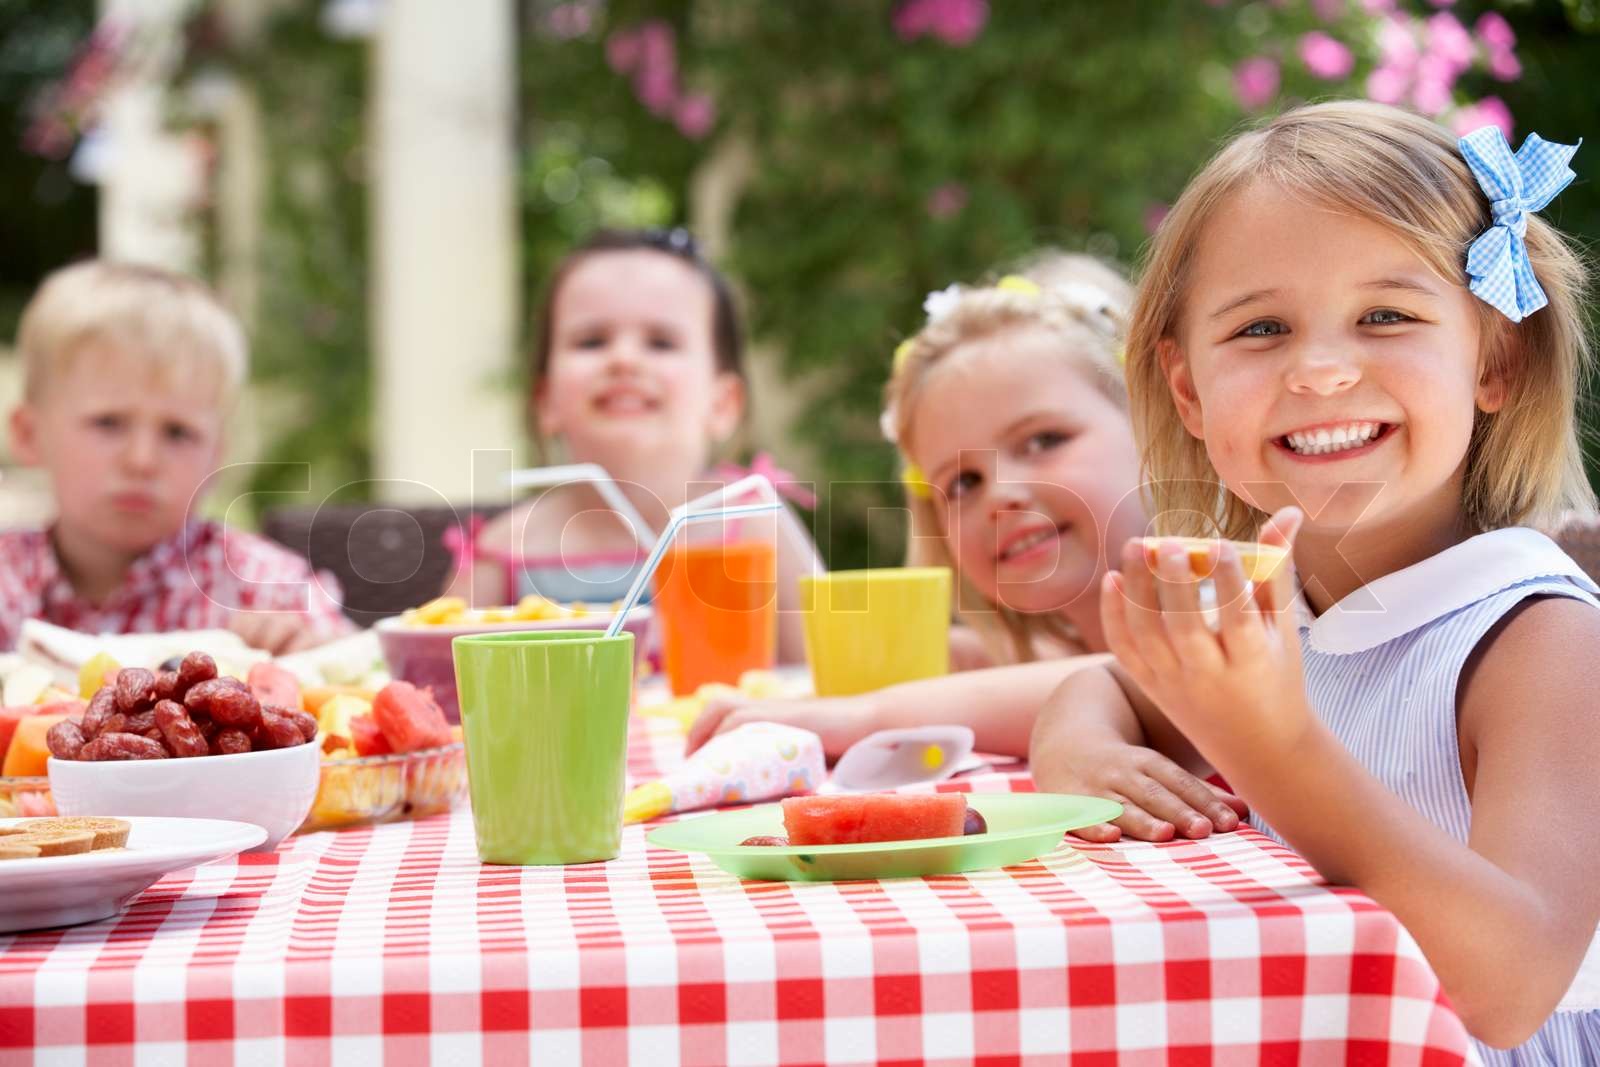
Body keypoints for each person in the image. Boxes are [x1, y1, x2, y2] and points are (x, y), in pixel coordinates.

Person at [1031, 101, 1599, 1059]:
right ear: (1188, 391)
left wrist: (1274, 742)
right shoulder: (1282, 601)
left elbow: (1508, 986)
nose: (1324, 370)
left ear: (1494, 357)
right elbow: (1107, 684)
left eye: (1387, 316)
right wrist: (1078, 748)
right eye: (1261, 329)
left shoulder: (1541, 637)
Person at [691, 256, 1229, 804]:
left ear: (1157, 418)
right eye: (964, 482)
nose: (999, 495)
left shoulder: (1235, 597)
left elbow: (1146, 678)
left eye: (1044, 440)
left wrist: (865, 715)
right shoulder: (1046, 649)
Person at [442, 227, 813, 661]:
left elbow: (827, 685)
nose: (624, 359)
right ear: (546, 401)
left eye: (661, 342)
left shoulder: (754, 523)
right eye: (592, 341)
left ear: (723, 403)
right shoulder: (504, 550)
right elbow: (435, 691)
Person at [0, 260, 350, 654]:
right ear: (29, 435)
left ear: (216, 455)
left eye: (178, 432)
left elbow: (359, 678)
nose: (142, 460)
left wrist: (309, 654)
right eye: (108, 423)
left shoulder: (266, 588)